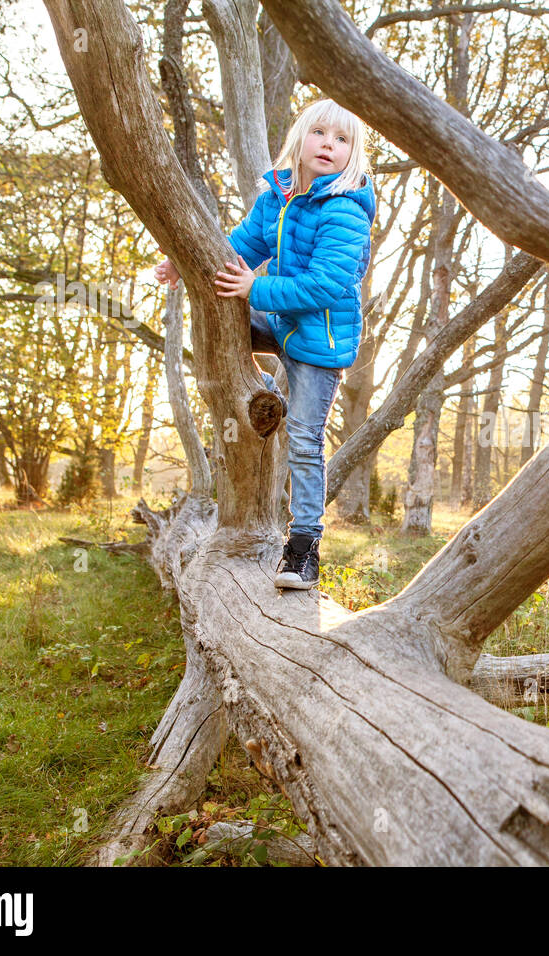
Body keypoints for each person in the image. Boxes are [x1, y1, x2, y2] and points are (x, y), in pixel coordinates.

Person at [155, 98, 375, 590]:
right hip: (277, 318)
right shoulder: (276, 194)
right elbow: (240, 247)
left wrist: (255, 289)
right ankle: (254, 398)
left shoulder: (345, 211)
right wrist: (183, 263)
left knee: (303, 438)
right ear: (300, 139)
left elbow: (325, 285)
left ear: (352, 156)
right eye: (320, 133)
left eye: (342, 140)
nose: (329, 145)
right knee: (220, 306)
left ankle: (303, 550)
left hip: (319, 339)